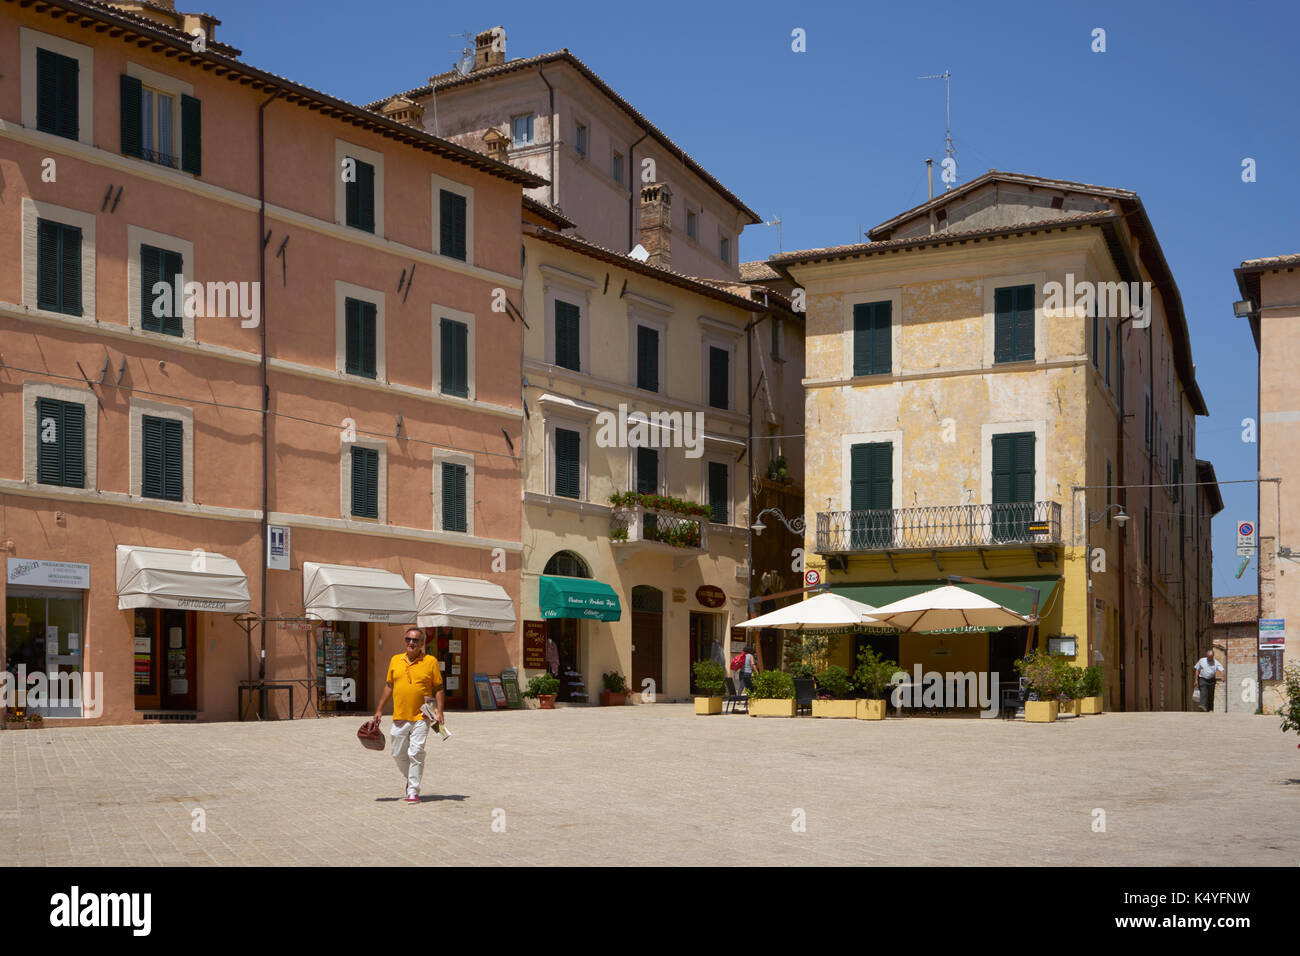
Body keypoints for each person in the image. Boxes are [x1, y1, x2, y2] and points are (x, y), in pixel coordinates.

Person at [373, 628, 444, 803]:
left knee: (416, 752)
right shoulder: (395, 660)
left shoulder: (431, 661)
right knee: (398, 753)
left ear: (422, 643)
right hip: (400, 715)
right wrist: (379, 710)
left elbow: (439, 688)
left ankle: (413, 790)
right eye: (408, 640)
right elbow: (389, 686)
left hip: (423, 715)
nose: (411, 643)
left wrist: (440, 712)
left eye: (415, 640)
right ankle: (412, 778)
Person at [1192, 648, 1224, 712]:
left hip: (1211, 680)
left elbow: (1222, 669)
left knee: (1211, 694)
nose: (1210, 658)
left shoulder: (1216, 662)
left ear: (1213, 656)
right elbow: (1197, 670)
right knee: (1203, 692)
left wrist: (1222, 677)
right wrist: (1196, 680)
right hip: (1202, 679)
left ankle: (1210, 708)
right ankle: (1202, 705)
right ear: (1207, 656)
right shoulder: (1202, 661)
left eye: (1211, 657)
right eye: (1209, 657)